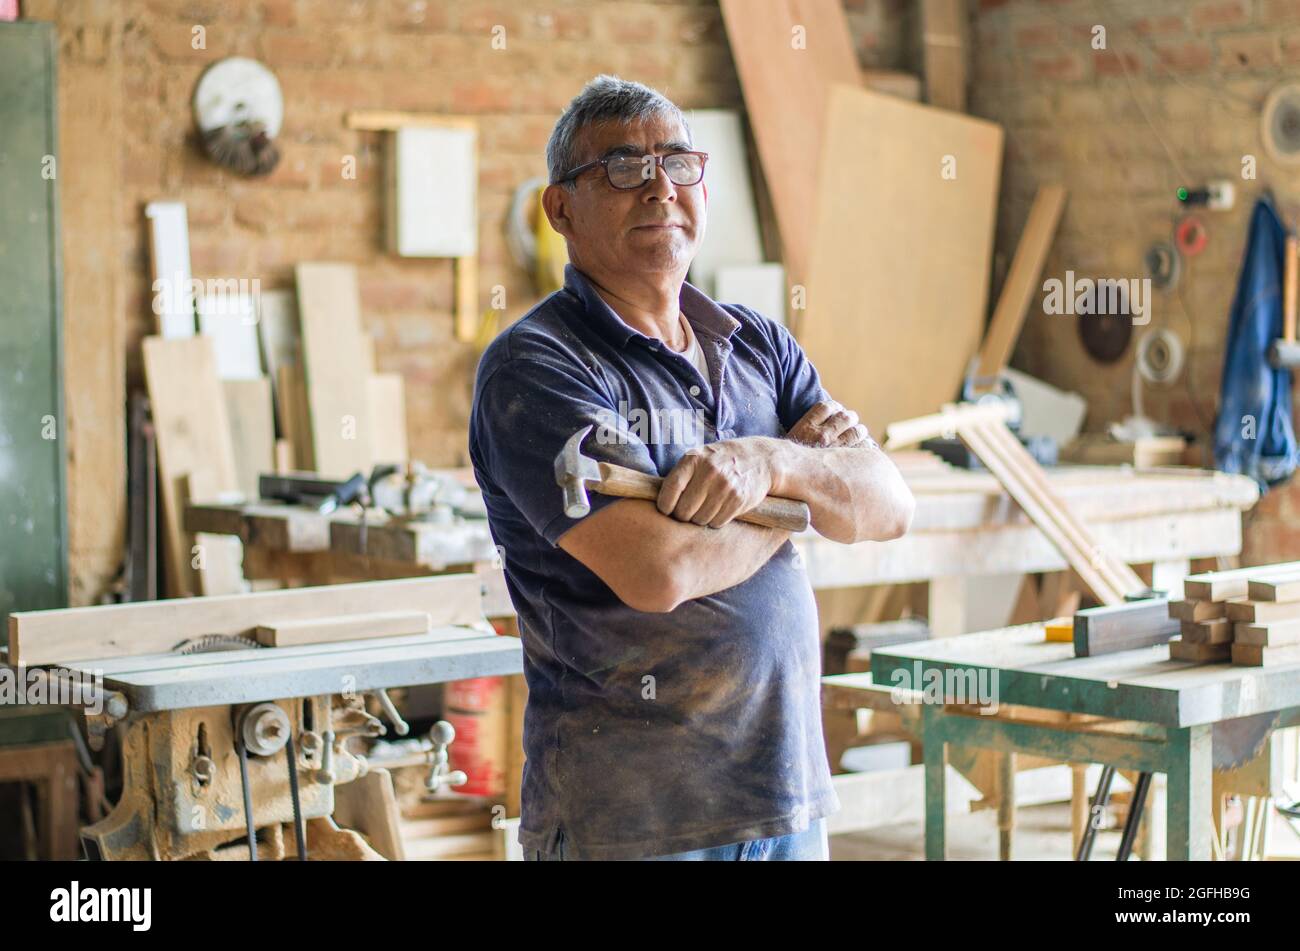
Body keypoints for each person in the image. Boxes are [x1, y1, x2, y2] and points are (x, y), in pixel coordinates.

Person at [469, 75, 915, 861]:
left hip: (784, 799)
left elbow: (886, 506)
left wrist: (768, 460)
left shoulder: (758, 345)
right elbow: (659, 571)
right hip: (636, 818)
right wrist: (804, 495)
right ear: (560, 209)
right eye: (622, 168)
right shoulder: (537, 365)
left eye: (676, 162)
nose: (658, 188)